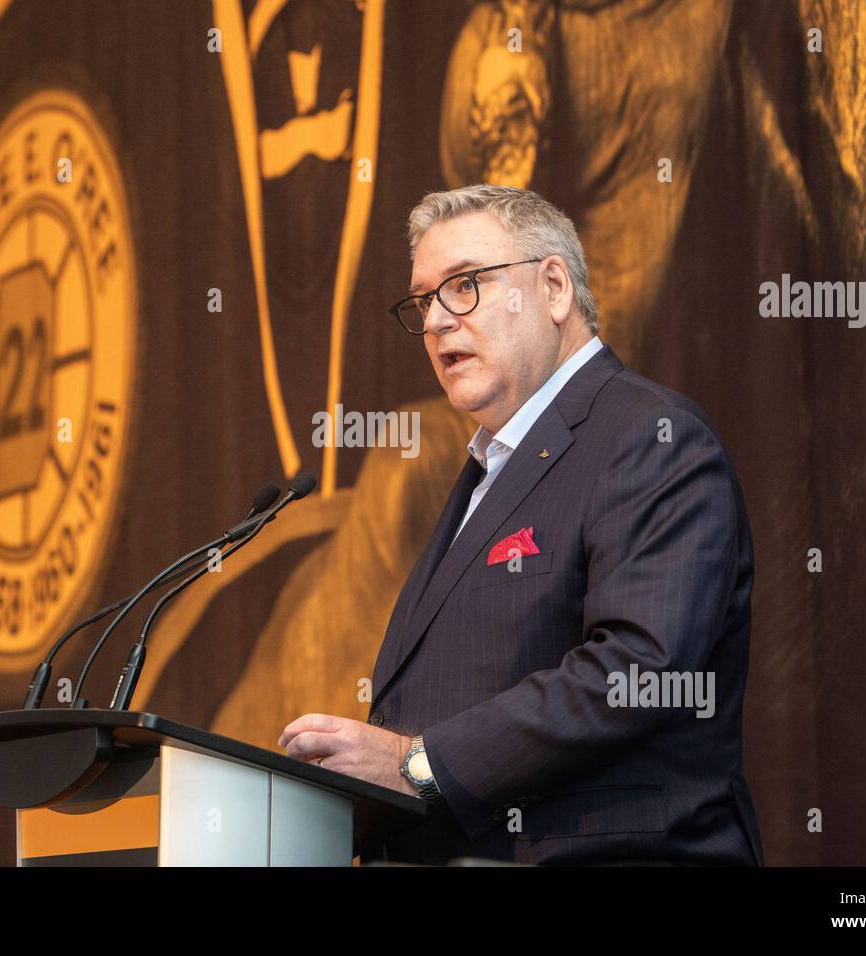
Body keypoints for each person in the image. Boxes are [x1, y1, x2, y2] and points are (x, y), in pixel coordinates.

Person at [279, 184, 763, 865]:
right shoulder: (490, 467)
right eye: (424, 301)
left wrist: (421, 766)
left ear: (555, 287)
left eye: (465, 286)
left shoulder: (650, 437)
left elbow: (636, 669)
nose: (438, 322)